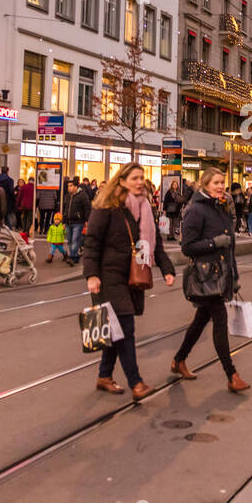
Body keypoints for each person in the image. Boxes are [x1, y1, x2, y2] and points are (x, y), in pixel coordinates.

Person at [83, 163, 176, 400]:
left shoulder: (146, 208)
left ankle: (104, 376)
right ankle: (136, 382)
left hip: (133, 277)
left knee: (115, 329)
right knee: (125, 328)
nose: (140, 182)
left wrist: (167, 269)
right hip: (109, 277)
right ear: (122, 181)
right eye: (134, 178)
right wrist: (91, 275)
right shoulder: (107, 207)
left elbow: (156, 244)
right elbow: (92, 242)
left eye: (142, 178)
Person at [172, 166, 247, 391]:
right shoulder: (196, 210)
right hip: (206, 276)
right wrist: (214, 243)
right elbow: (187, 247)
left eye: (222, 183)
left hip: (221, 273)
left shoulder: (222, 208)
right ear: (205, 185)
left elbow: (230, 246)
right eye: (216, 183)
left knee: (201, 320)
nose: (221, 187)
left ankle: (179, 360)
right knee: (220, 321)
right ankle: (231, 374)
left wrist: (234, 276)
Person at [60, 178, 90, 266]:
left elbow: (87, 208)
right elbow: (65, 209)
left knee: (75, 240)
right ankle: (75, 257)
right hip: (68, 222)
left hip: (78, 222)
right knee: (69, 240)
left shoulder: (82, 195)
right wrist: (64, 222)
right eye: (68, 186)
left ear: (76, 186)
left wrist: (87, 220)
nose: (69, 188)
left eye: (71, 186)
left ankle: (72, 257)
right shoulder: (67, 196)